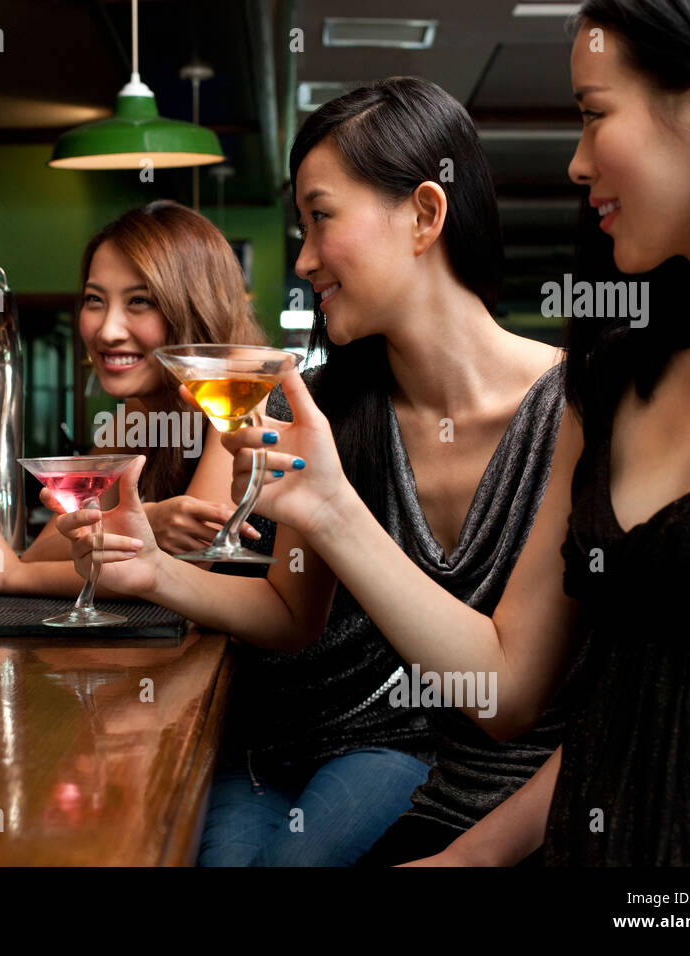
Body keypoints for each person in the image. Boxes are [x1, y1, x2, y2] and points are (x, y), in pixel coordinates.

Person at [120, 0, 690, 867]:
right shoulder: (613, 379)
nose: (577, 160)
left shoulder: (571, 397)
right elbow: (535, 692)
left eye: (593, 115)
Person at [50, 77, 568, 866]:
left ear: (426, 214)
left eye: (321, 218)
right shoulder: (332, 406)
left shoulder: (575, 411)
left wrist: (329, 508)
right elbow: (294, 614)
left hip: (450, 780)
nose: (303, 256)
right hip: (315, 756)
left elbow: (508, 697)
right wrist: (152, 570)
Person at [0, 199, 265, 596]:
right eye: (94, 300)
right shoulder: (135, 416)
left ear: (195, 308)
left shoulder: (240, 394)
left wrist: (10, 576)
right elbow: (46, 549)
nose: (107, 331)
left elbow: (191, 564)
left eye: (140, 301)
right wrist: (147, 522)